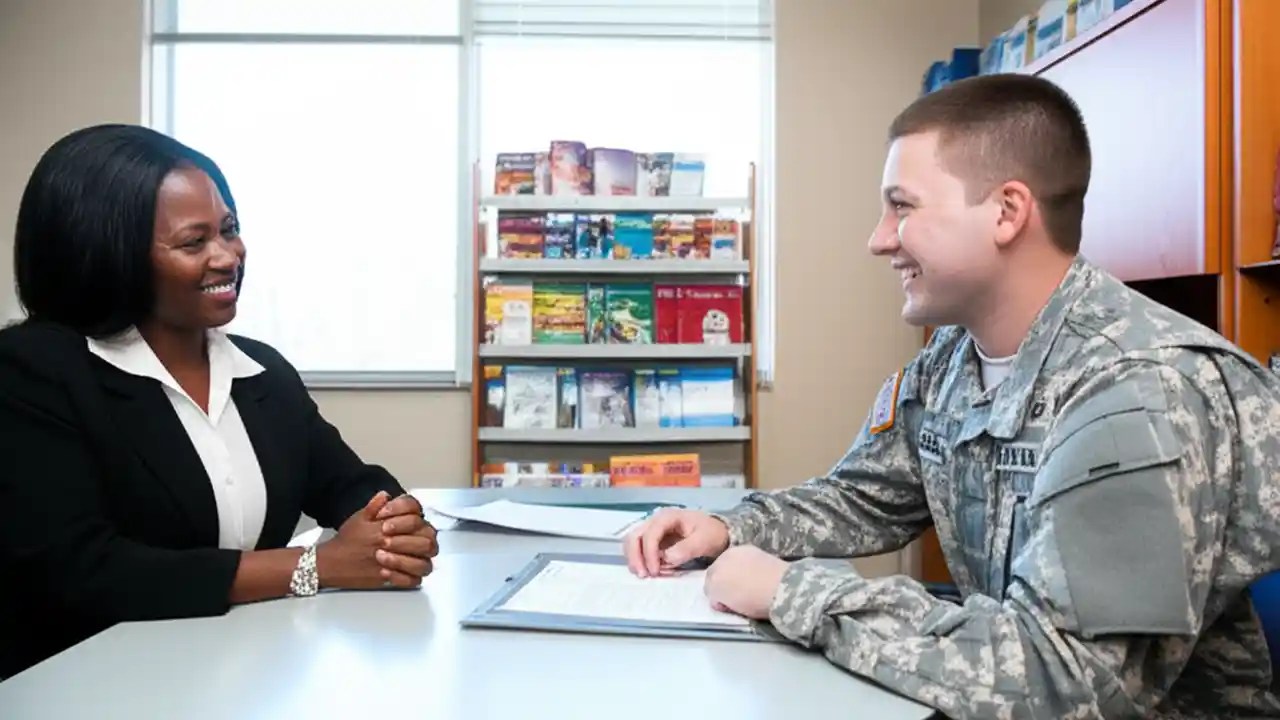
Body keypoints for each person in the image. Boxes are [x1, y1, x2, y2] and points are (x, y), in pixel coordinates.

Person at [625, 73, 1280, 718]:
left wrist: (793, 593)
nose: (879, 238)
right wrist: (731, 527)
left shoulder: (1139, 385)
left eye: (902, 206)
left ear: (1006, 212)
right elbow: (866, 496)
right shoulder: (953, 356)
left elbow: (1069, 681)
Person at [0, 124, 438, 680]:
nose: (228, 256)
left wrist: (395, 528)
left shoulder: (262, 371)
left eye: (230, 230)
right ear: (109, 254)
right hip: (89, 685)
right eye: (194, 242)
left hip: (237, 677)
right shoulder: (30, 371)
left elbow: (348, 483)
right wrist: (315, 566)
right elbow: (87, 572)